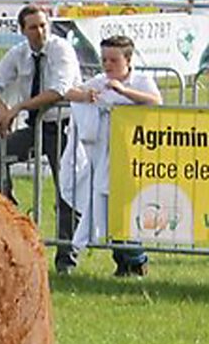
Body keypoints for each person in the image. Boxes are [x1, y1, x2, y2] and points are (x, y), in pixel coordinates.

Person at [0, 4, 82, 274]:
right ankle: (9, 218)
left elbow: (58, 90)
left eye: (43, 25)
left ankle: (66, 260)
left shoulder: (61, 49)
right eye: (33, 27)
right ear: (22, 30)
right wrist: (2, 110)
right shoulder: (18, 53)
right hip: (36, 128)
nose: (40, 31)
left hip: (64, 128)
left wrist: (18, 107)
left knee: (67, 191)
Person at [61, 35, 160, 277]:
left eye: (113, 60)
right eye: (104, 59)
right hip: (105, 158)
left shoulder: (142, 80)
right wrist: (85, 96)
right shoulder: (99, 81)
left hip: (135, 158)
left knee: (128, 209)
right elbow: (70, 93)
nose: (107, 65)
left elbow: (156, 102)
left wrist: (125, 92)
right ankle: (122, 262)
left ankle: (137, 260)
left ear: (128, 60)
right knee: (107, 208)